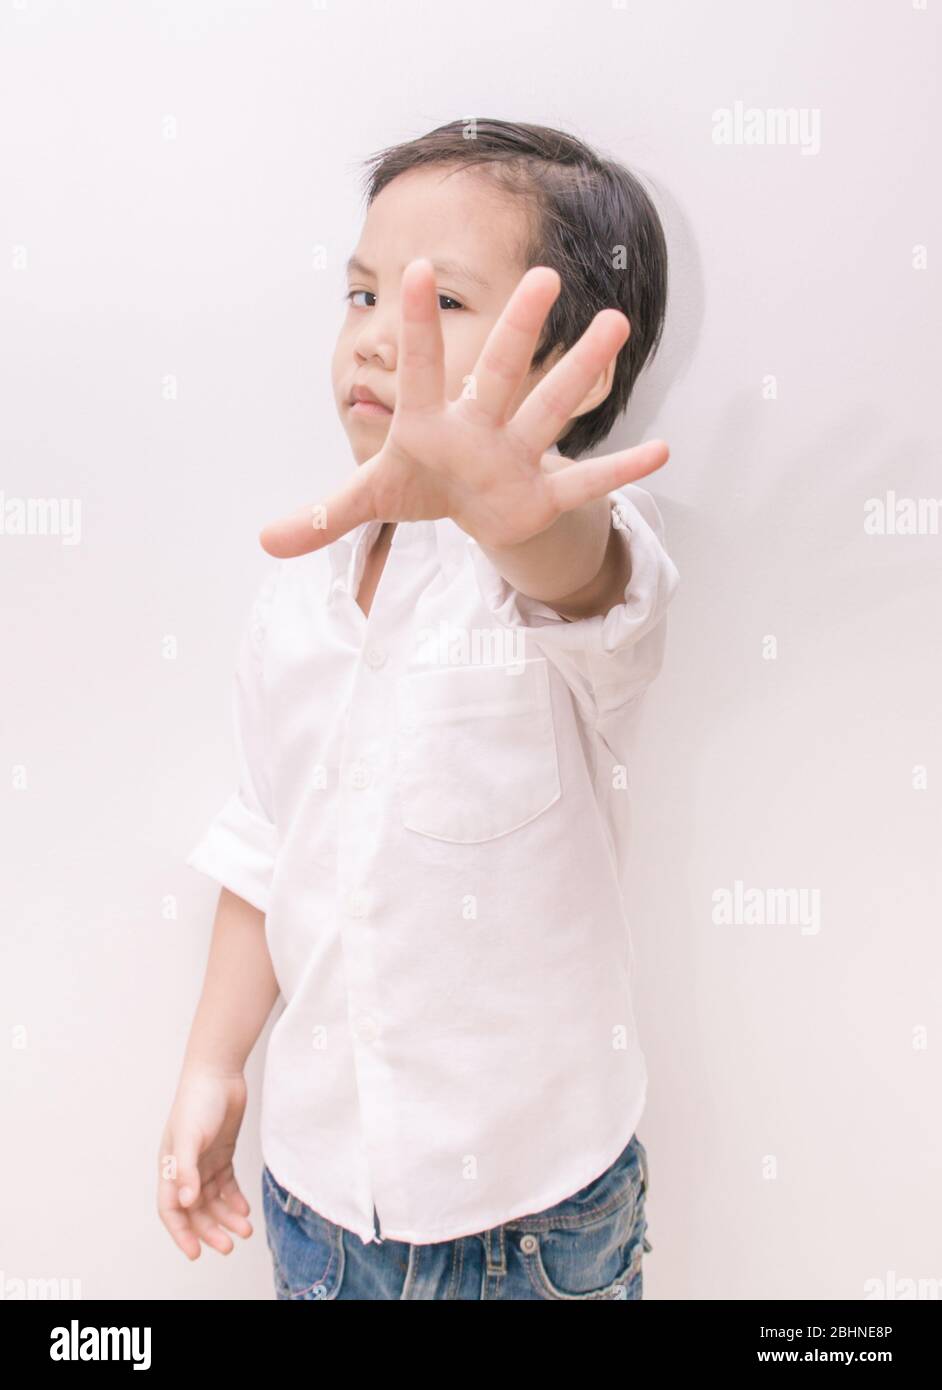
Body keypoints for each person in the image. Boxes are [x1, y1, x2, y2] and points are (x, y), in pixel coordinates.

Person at [158, 118, 680, 1300]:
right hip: (318, 1198)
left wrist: (516, 511)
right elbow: (265, 843)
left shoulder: (554, 576)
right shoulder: (297, 588)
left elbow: (589, 581)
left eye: (440, 304)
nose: (378, 333)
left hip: (533, 1222)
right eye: (359, 293)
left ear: (569, 372)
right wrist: (212, 1065)